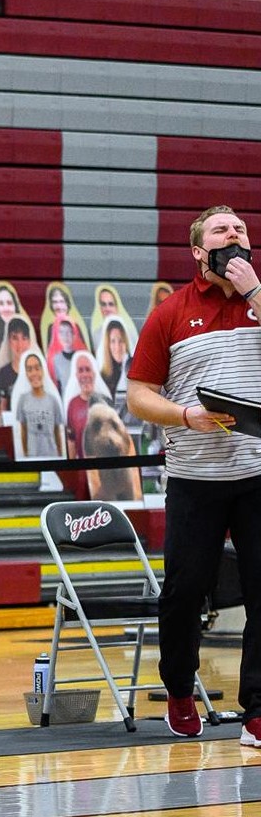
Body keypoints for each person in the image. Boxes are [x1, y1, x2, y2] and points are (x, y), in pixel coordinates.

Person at [125, 206, 261, 743]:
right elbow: (138, 394)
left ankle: (256, 708)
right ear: (200, 252)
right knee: (185, 592)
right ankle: (180, 690)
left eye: (242, 229)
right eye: (223, 231)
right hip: (194, 476)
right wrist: (186, 415)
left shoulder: (259, 300)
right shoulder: (172, 313)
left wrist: (254, 293)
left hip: (257, 473)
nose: (236, 235)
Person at [14, 350, 65, 459]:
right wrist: (26, 455)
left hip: (52, 456)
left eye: (37, 368)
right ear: (26, 373)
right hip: (33, 457)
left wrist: (60, 456)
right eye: (29, 369)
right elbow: (23, 431)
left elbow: (57, 432)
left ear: (43, 370)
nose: (34, 373)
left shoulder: (53, 400)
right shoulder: (22, 400)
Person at [64, 350, 108, 452]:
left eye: (88, 369)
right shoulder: (72, 404)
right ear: (76, 376)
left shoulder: (106, 402)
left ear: (94, 373)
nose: (84, 375)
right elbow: (71, 442)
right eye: (80, 370)